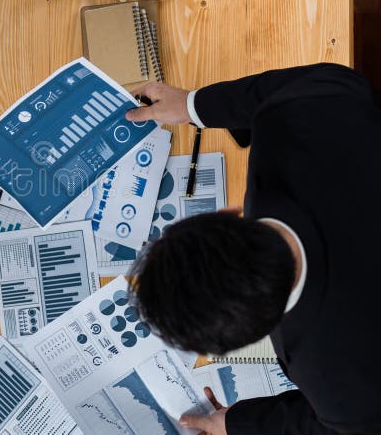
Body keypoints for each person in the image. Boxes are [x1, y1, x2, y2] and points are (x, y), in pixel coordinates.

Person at [124, 62, 381, 434]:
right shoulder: (292, 125)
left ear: (254, 336)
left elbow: (340, 426)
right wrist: (194, 106)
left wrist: (239, 423)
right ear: (228, 212)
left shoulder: (335, 376)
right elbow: (330, 82)